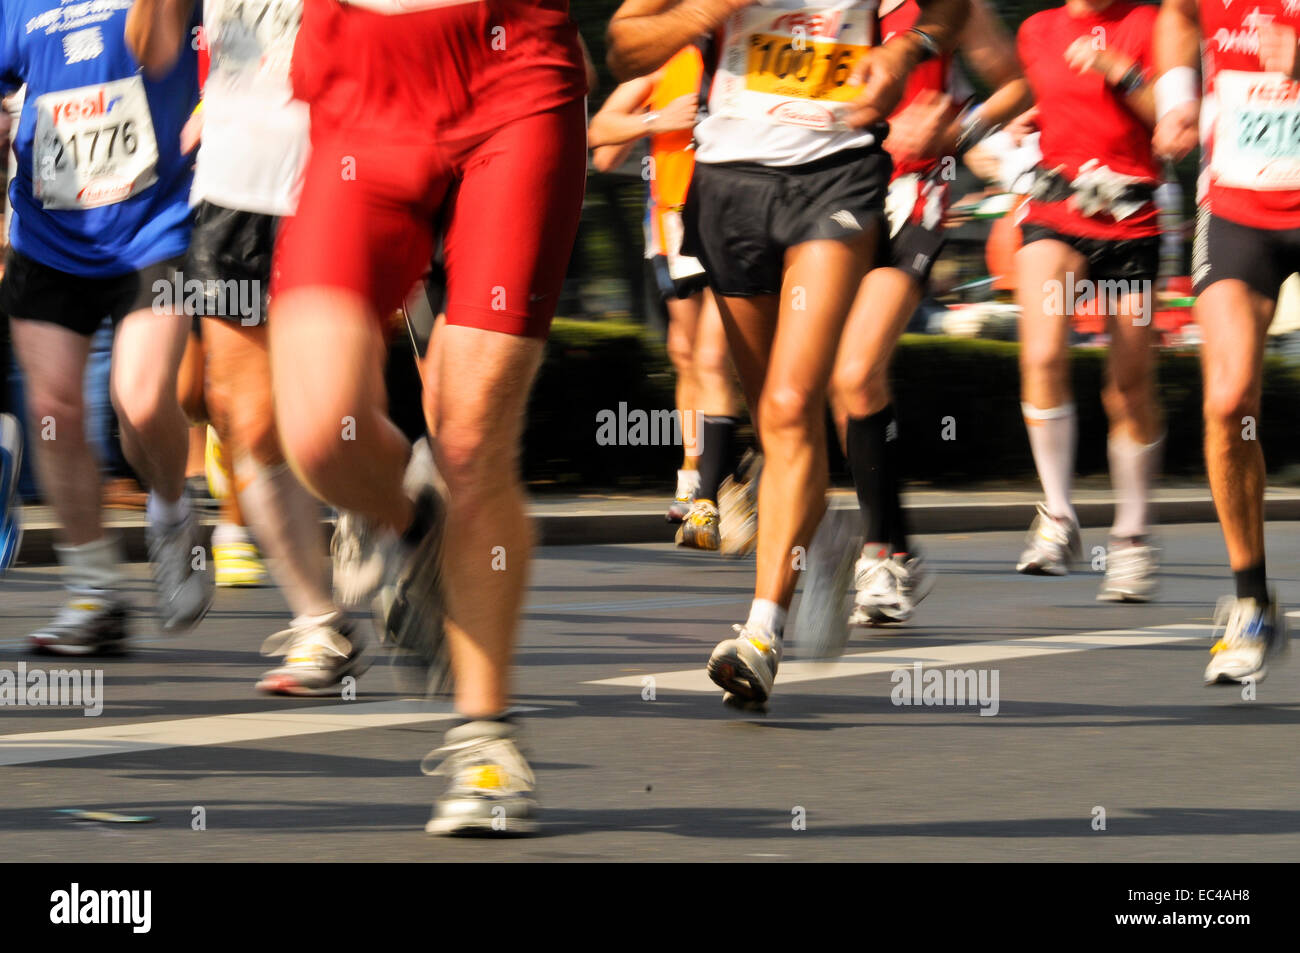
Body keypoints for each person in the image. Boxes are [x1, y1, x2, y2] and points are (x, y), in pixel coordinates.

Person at [261, 0, 587, 832]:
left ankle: (485, 742)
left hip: (510, 75)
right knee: (316, 433)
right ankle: (414, 524)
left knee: (472, 437)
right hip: (357, 84)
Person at [608, 0, 971, 708]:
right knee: (772, 419)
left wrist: (903, 52)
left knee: (790, 399)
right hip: (726, 186)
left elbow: (952, 7)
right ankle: (820, 536)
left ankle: (761, 632)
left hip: (835, 177)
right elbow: (624, 46)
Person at [130, 0, 368, 695]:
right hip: (233, 189)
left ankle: (399, 518)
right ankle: (320, 620)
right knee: (244, 417)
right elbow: (154, 47)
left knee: (332, 414)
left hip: (341, 178)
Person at [0, 0, 212, 653]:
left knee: (143, 398)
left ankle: (173, 512)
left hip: (157, 227)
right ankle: (94, 595)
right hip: (48, 231)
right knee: (52, 409)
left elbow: (205, 52)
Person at [824, 0, 1029, 626]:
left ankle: (880, 554)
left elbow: (1021, 82)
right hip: (831, 192)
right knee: (846, 384)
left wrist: (956, 133)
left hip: (914, 193)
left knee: (857, 373)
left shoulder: (947, 8)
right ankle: (899, 544)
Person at [1153, 0, 1295, 683]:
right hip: (1240, 207)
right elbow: (1178, 13)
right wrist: (1177, 97)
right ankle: (1251, 602)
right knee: (1229, 398)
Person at [1011, 0, 1164, 603]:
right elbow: (1055, 95)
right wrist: (1030, 117)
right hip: (1056, 212)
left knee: (1129, 384)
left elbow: (1173, 122)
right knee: (1043, 356)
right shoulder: (1036, 29)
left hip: (1131, 223)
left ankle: (1131, 539)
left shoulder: (1150, 24)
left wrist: (1118, 68)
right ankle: (1058, 516)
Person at [589, 48, 756, 552]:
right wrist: (657, 119)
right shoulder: (667, 59)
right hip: (670, 220)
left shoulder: (743, 49)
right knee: (687, 353)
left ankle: (715, 482)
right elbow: (601, 137)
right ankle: (700, 475)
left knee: (713, 356)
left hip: (732, 216)